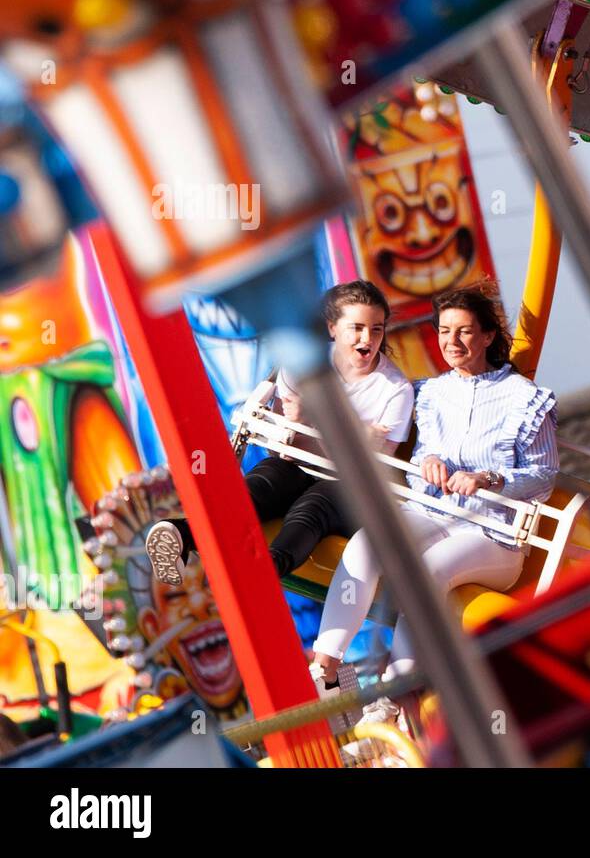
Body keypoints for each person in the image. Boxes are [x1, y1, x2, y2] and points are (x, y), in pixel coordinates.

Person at [309, 283, 558, 723]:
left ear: (486, 336)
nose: (452, 342)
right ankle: (325, 665)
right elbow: (422, 455)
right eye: (444, 331)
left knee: (426, 574)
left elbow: (543, 474)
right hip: (431, 510)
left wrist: (491, 479)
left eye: (464, 332)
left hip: (492, 532)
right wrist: (431, 464)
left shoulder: (525, 397)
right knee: (368, 545)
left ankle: (393, 694)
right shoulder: (430, 393)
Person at [144, 281, 414, 584]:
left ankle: (267, 569)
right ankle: (180, 533)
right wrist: (351, 435)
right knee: (257, 488)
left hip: (348, 486)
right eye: (357, 328)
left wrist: (313, 425)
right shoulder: (304, 363)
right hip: (295, 465)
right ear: (332, 328)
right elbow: (283, 449)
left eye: (377, 329)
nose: (368, 338)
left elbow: (372, 467)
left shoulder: (396, 390)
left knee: (312, 509)